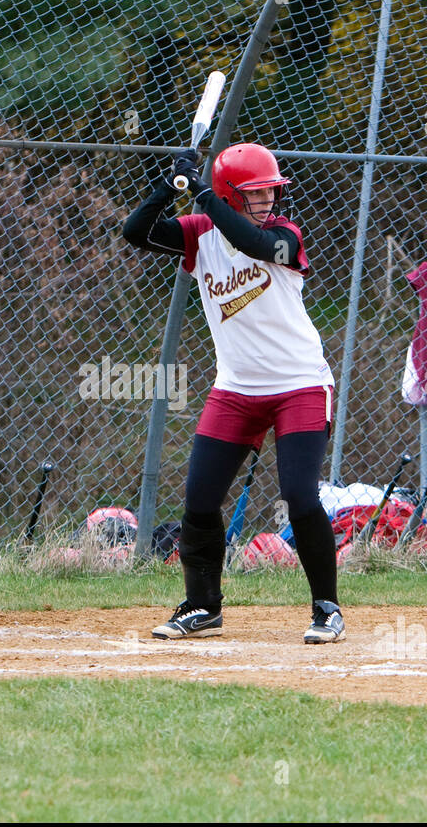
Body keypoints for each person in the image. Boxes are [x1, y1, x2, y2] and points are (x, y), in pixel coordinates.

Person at [122, 143, 342, 644]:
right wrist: (170, 185)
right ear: (230, 195)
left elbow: (252, 245)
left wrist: (203, 194)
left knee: (300, 496)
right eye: (255, 192)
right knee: (199, 501)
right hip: (237, 389)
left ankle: (327, 609)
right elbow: (136, 231)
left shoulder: (283, 235)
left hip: (299, 384)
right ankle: (203, 607)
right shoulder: (200, 235)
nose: (267, 199)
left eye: (270, 190)